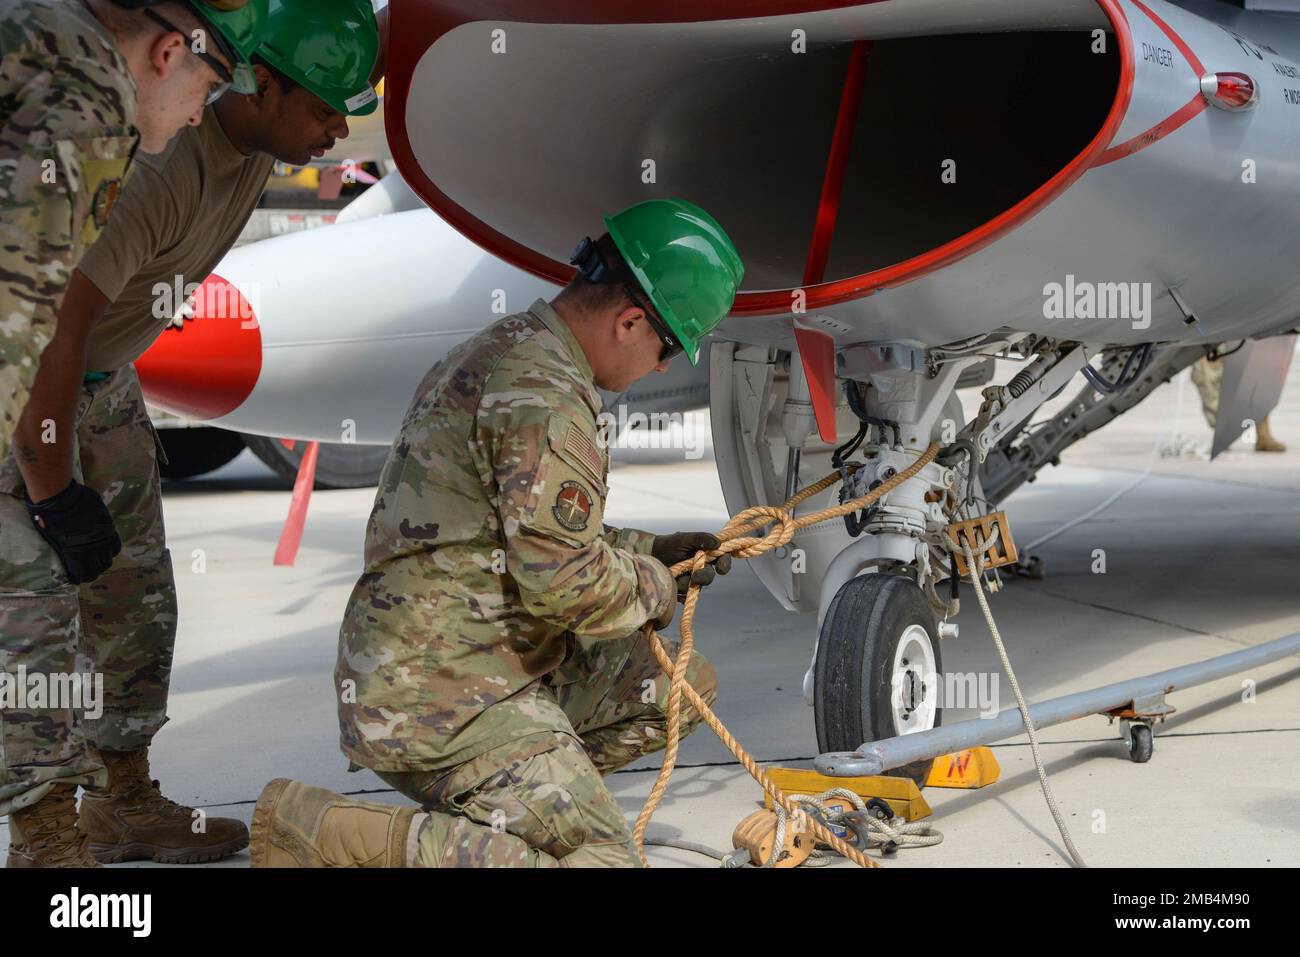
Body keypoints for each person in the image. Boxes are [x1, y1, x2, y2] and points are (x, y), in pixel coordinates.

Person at [250, 198, 745, 868]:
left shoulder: (509, 348)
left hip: (452, 663)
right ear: (630, 321)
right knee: (608, 862)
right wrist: (656, 584)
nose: (661, 369)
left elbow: (524, 532)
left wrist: (649, 549)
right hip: (444, 693)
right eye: (665, 348)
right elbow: (565, 585)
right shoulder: (546, 397)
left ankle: (512, 802)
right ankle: (323, 829)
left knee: (680, 689)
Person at [0, 0, 381, 869]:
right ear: (261, 85)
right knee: (33, 615)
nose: (336, 131)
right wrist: (53, 489)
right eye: (324, 107)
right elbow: (53, 325)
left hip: (102, 382)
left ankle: (122, 799)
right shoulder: (157, 163)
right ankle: (47, 839)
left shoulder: (256, 138)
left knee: (135, 599)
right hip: (33, 383)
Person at [0, 0, 265, 466]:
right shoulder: (90, 92)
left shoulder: (39, 26)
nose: (198, 116)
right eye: (209, 87)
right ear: (168, 52)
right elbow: (19, 309)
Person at [1190, 355, 1286, 453]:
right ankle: (1222, 435)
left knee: (1257, 376)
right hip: (1209, 347)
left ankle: (1263, 434)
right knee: (1206, 376)